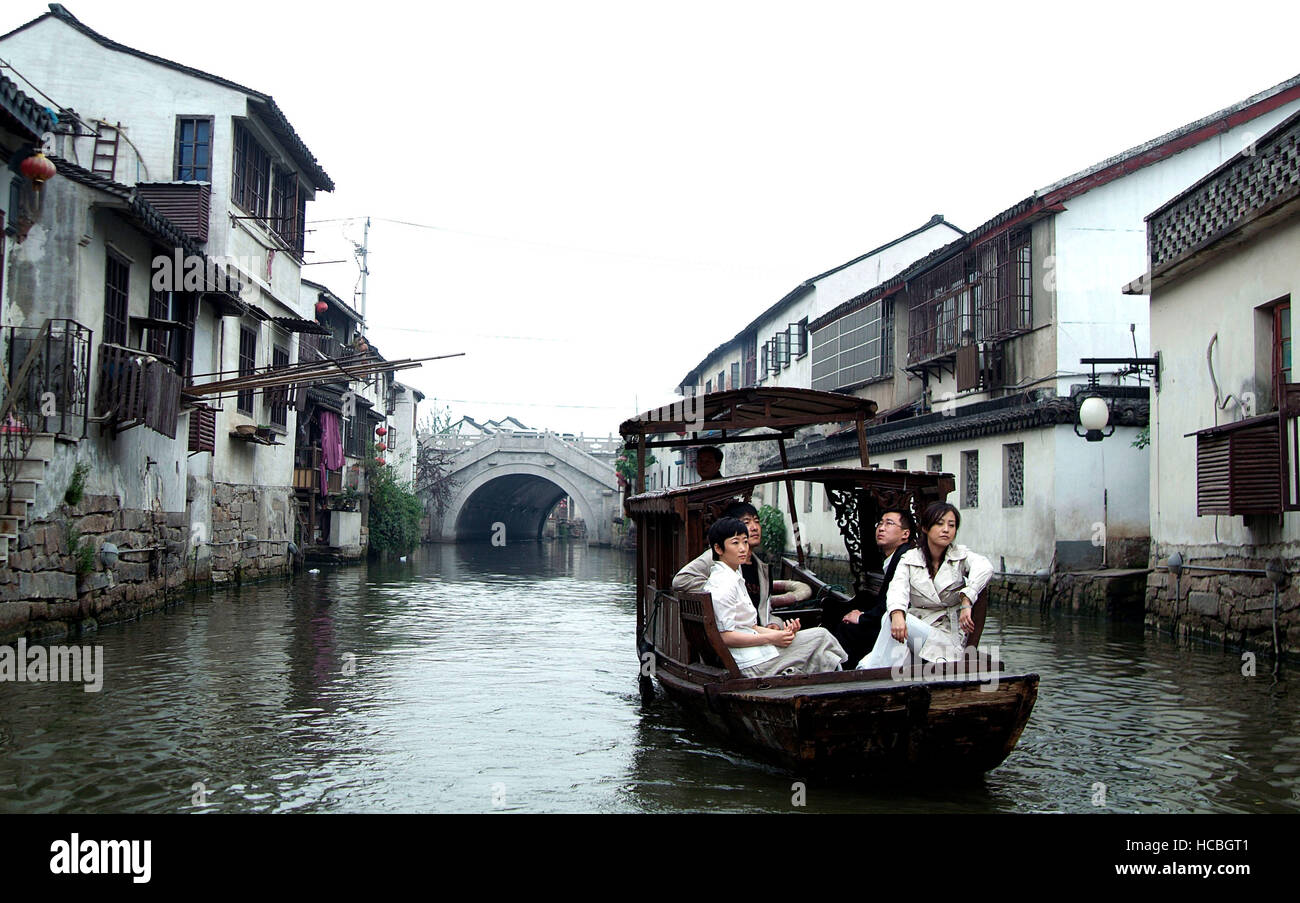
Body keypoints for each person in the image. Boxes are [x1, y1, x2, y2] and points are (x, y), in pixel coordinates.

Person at [702, 517, 846, 677]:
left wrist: (781, 634)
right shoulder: (723, 584)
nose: (743, 548)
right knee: (822, 637)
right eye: (735, 543)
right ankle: (843, 682)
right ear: (719, 548)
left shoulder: (731, 576)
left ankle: (820, 685)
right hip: (749, 663)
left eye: (745, 541)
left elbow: (750, 627)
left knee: (821, 641)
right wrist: (772, 639)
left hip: (754, 653)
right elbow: (725, 637)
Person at [858, 501, 992, 670]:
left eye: (951, 525)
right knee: (891, 623)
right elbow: (897, 589)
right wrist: (898, 613)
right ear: (926, 528)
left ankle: (868, 674)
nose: (946, 530)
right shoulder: (910, 559)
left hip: (947, 640)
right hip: (918, 632)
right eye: (940, 524)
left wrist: (967, 599)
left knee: (887, 621)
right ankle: (868, 671)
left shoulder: (961, 556)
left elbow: (985, 568)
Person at [673, 502, 809, 629]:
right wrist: (723, 590)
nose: (754, 527)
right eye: (746, 522)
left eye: (757, 521)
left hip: (760, 633)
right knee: (820, 637)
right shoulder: (718, 556)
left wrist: (775, 624)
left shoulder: (761, 568)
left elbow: (764, 610)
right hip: (740, 637)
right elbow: (681, 580)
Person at [827, 508, 915, 668]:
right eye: (880, 523)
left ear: (905, 534)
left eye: (889, 523)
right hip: (889, 619)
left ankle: (842, 676)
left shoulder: (904, 558)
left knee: (848, 628)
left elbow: (891, 604)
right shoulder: (896, 556)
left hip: (901, 626)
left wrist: (861, 618)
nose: (881, 528)